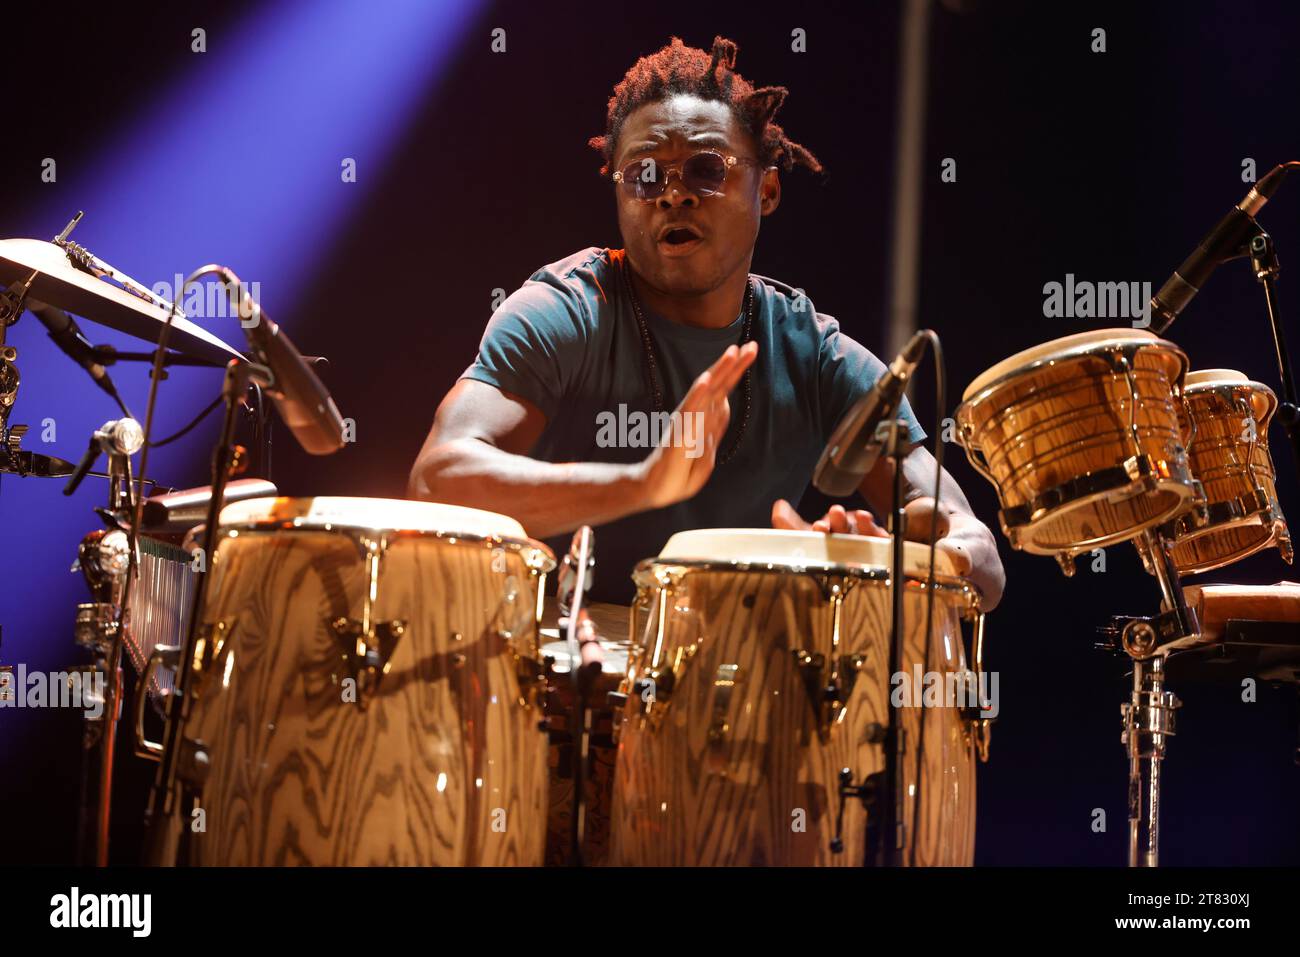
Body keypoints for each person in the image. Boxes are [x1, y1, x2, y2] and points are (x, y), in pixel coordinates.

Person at [410, 35, 1004, 609]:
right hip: (560, 679)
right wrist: (645, 481)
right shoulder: (563, 312)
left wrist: (909, 564)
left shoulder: (817, 357)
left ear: (766, 189)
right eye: (644, 175)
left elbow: (980, 555)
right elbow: (438, 479)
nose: (673, 195)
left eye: (705, 170)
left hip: (734, 691)